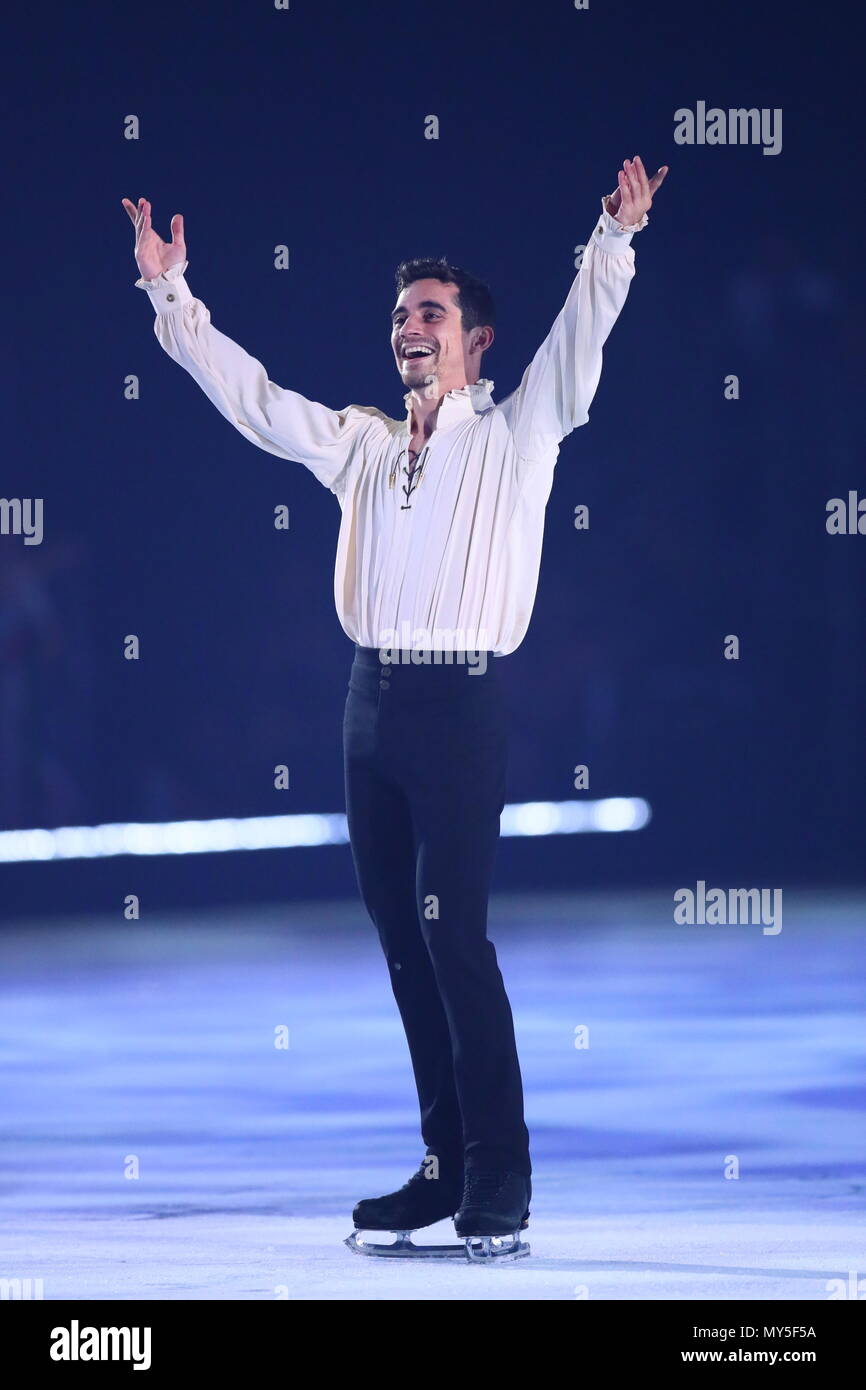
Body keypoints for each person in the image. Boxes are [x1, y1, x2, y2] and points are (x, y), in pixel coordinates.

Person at [122, 155, 668, 1255]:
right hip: (367, 705)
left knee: (452, 936)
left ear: (473, 344)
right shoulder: (365, 443)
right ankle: (439, 1164)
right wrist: (171, 298)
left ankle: (498, 1180)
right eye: (400, 312)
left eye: (430, 312)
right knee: (400, 943)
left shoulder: (519, 437)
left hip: (460, 709)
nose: (407, 325)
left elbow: (577, 344)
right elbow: (259, 402)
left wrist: (610, 240)